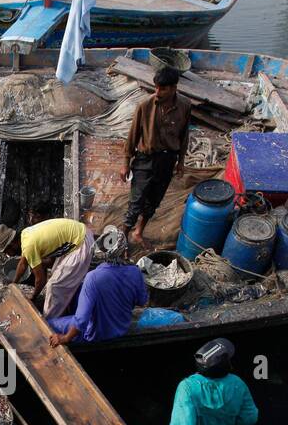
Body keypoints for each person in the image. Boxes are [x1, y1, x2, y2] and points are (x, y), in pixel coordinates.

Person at [120, 65, 191, 245]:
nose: (158, 92)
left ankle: (138, 232)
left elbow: (184, 136)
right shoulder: (144, 106)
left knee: (153, 201)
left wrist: (180, 162)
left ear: (174, 88)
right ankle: (121, 240)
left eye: (163, 88)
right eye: (156, 87)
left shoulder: (185, 106)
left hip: (167, 160)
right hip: (145, 159)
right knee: (136, 202)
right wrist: (126, 162)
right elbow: (132, 135)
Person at [48, 238, 148, 345]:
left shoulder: (92, 277)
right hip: (122, 327)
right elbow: (142, 301)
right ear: (124, 252)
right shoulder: (135, 272)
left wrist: (66, 338)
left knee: (49, 324)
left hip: (98, 334)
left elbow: (81, 320)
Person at [0, 217, 95, 319]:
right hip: (76, 237)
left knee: (54, 286)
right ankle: (65, 309)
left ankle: (50, 324)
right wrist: (14, 283)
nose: (9, 255)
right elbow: (23, 264)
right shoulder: (25, 235)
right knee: (57, 276)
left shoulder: (29, 246)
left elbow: (41, 280)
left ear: (11, 245)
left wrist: (33, 297)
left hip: (81, 242)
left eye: (7, 252)